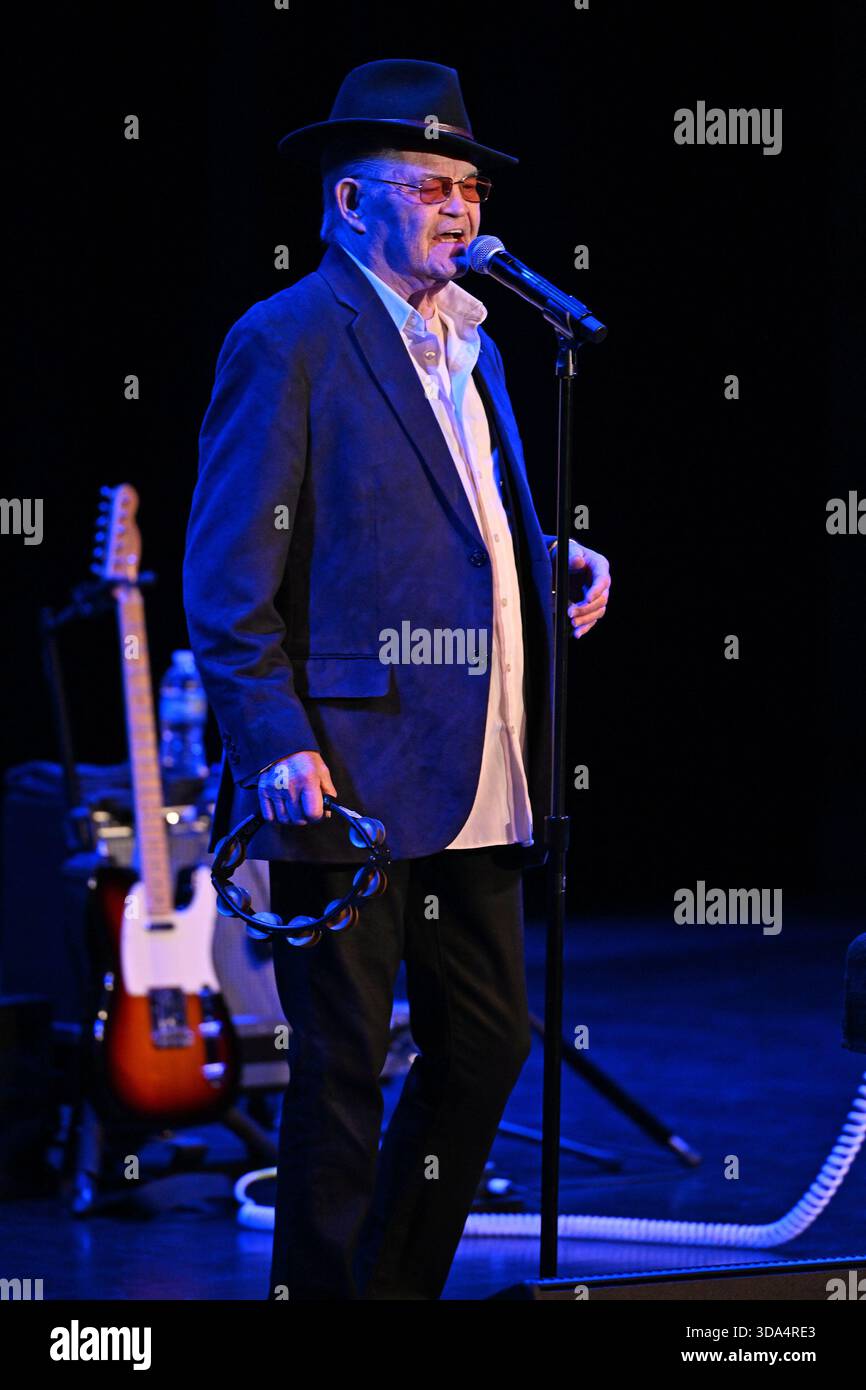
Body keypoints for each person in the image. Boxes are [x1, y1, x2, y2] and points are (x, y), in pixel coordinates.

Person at [183, 58, 611, 1300]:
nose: (458, 209)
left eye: (467, 185)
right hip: (346, 769)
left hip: (474, 757)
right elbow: (225, 578)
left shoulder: (469, 344)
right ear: (347, 204)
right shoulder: (288, 339)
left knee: (485, 1042)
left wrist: (543, 555)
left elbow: (435, 521)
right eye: (428, 185)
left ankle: (393, 1290)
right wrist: (272, 740)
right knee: (339, 1063)